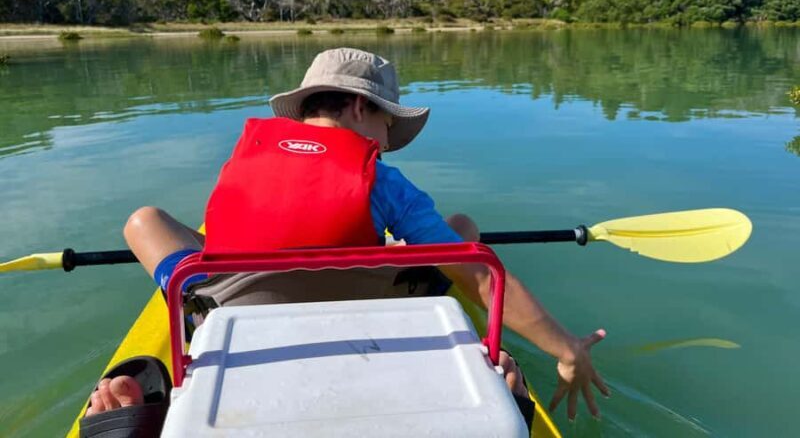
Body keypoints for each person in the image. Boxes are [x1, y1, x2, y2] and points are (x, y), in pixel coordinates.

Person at [83, 47, 608, 428]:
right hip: (364, 304)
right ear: (361, 108)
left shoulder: (243, 159)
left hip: (226, 309)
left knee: (144, 220)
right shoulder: (381, 178)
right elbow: (481, 276)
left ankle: (182, 317)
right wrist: (567, 350)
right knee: (462, 232)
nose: (387, 144)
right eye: (387, 127)